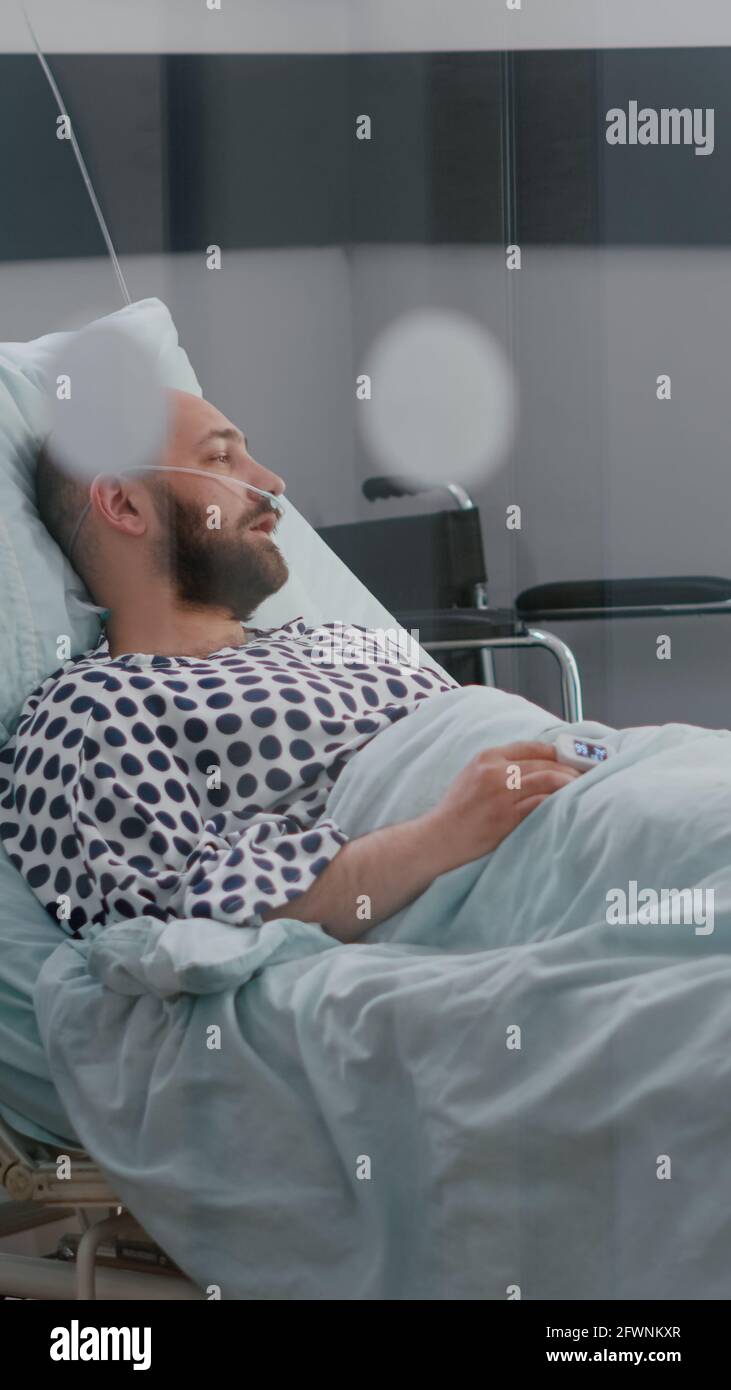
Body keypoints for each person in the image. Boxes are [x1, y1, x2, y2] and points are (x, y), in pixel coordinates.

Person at [0, 390, 579, 945]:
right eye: (222, 457)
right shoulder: (92, 708)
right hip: (519, 863)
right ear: (125, 503)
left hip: (578, 785)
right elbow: (164, 931)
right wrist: (440, 838)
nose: (273, 485)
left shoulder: (342, 641)